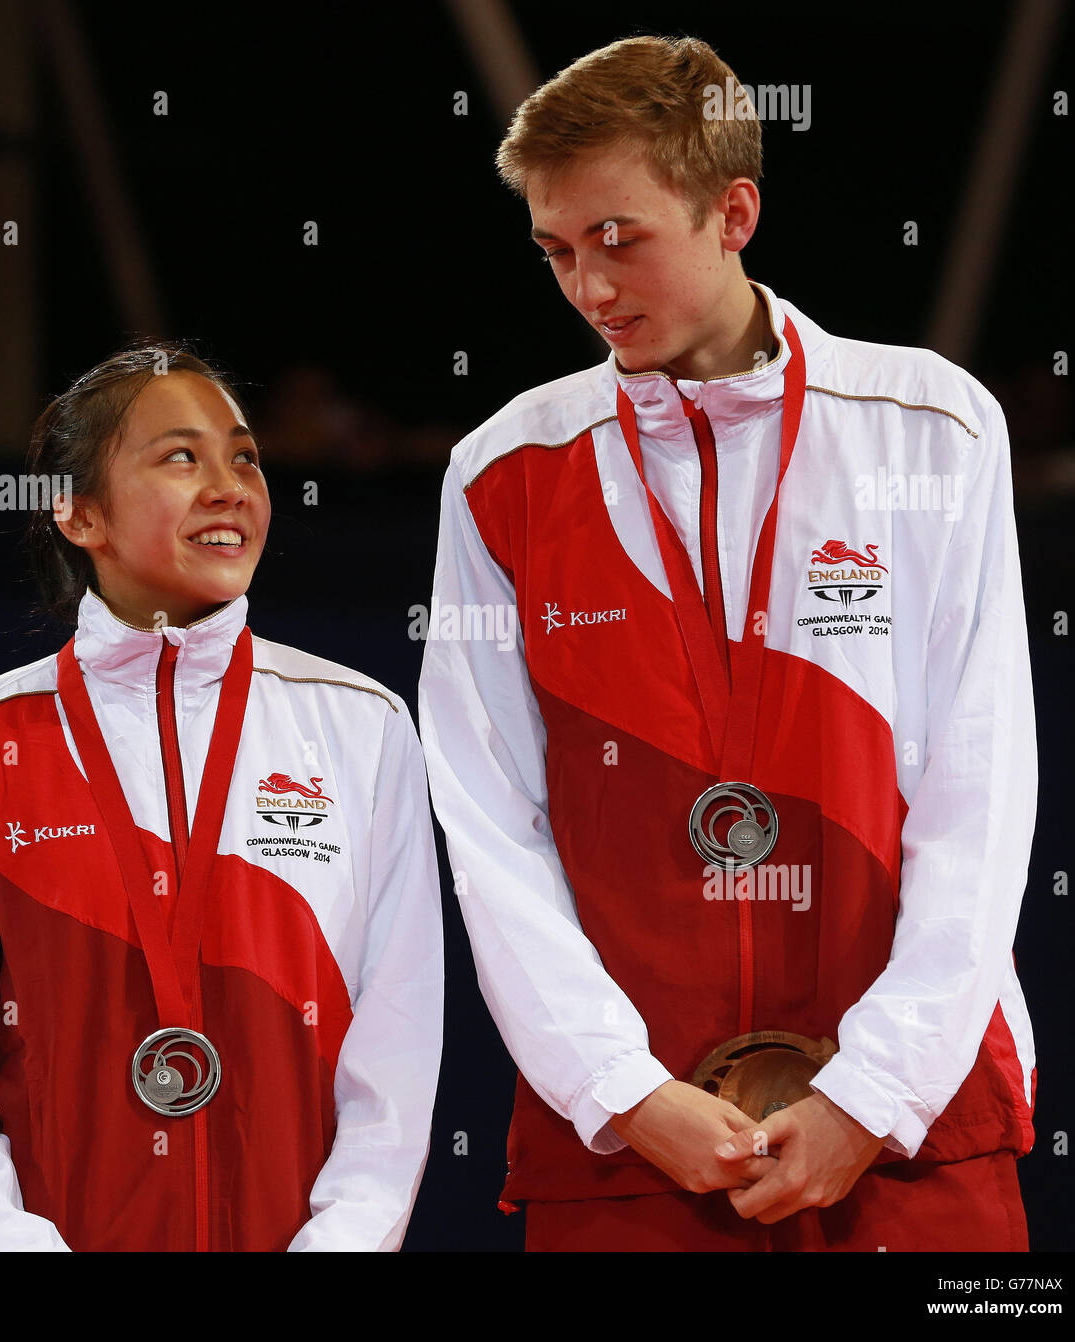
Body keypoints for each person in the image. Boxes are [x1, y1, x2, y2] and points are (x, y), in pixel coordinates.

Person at [418, 35, 1037, 1252]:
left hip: (913, 1135)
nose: (588, 288)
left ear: (732, 212)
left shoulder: (931, 429)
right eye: (555, 250)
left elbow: (983, 791)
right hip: (632, 1148)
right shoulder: (502, 475)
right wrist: (619, 1089)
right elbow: (488, 826)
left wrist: (874, 1092)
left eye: (618, 238)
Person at [0, 343, 444, 1251]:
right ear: (80, 512)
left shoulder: (363, 727)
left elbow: (397, 1049)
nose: (229, 486)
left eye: (244, 456)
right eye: (181, 457)